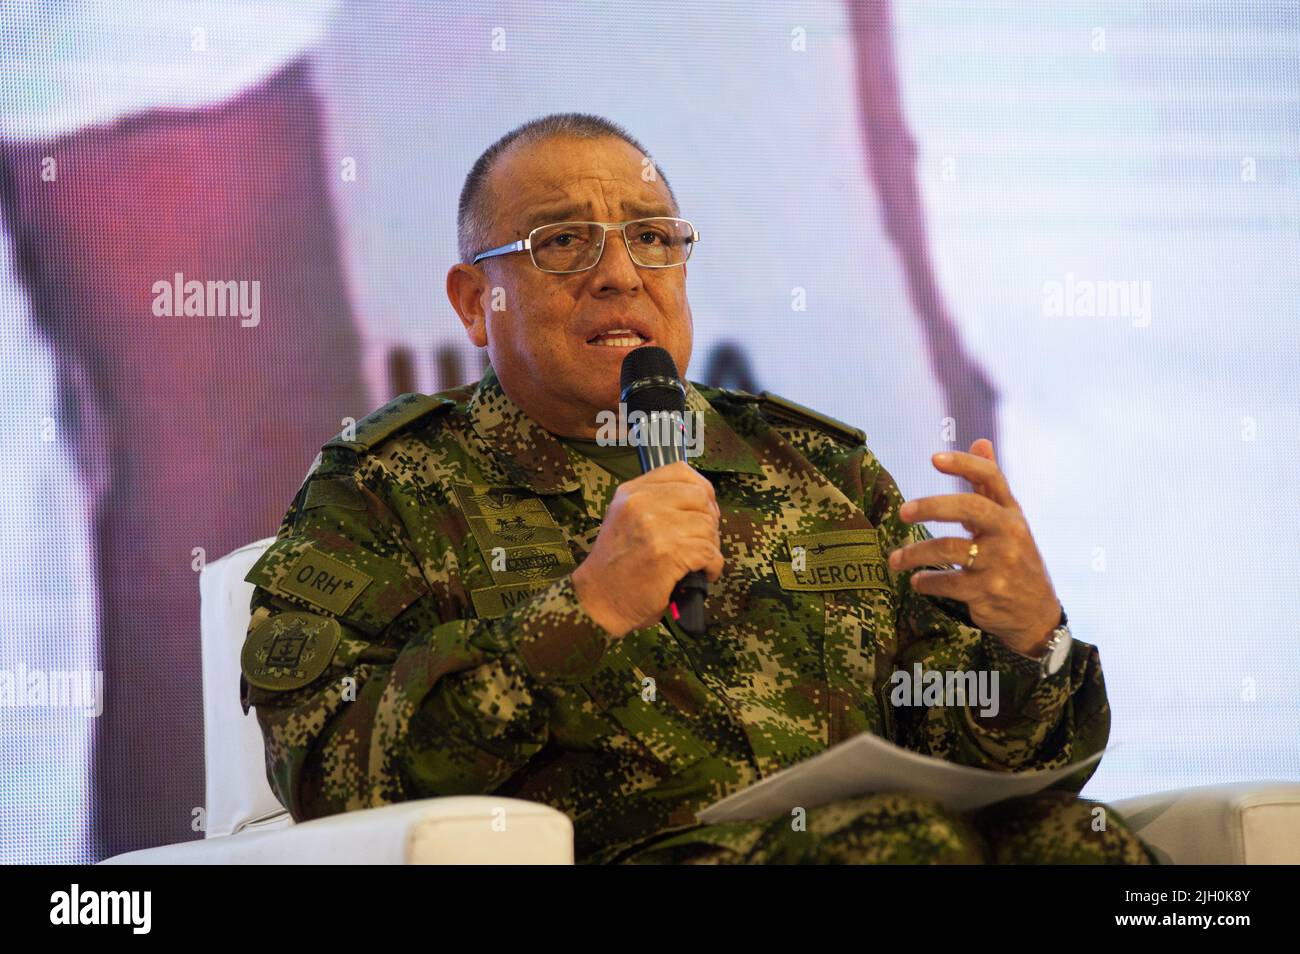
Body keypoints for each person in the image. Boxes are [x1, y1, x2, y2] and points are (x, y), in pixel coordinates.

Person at [239, 112, 1156, 864]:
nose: (618, 273)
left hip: (872, 844)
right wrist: (585, 612)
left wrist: (1031, 644)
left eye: (651, 239)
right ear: (477, 302)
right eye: (562, 243)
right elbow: (333, 778)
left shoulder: (814, 467)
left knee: (1079, 843)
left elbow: (978, 750)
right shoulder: (388, 486)